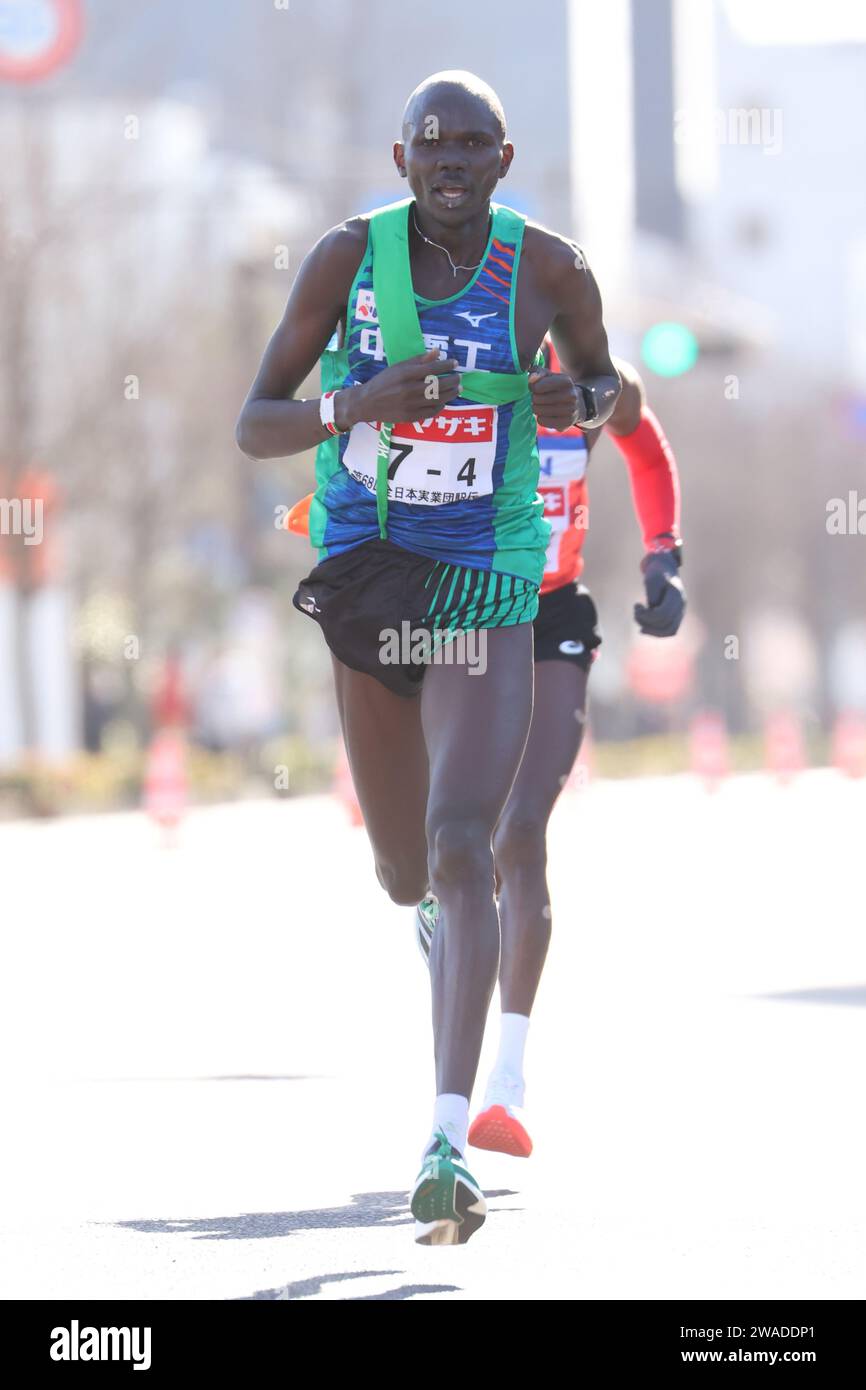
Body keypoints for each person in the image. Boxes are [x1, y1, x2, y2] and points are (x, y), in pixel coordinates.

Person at [236, 70, 620, 1246]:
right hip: (367, 573)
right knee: (404, 874)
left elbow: (606, 384)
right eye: (429, 144)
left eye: (471, 145)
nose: (449, 160)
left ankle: (445, 1136)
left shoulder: (548, 268)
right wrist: (354, 406)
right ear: (402, 163)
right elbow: (256, 421)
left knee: (467, 842)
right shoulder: (347, 258)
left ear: (504, 163)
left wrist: (575, 398)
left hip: (486, 580)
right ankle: (431, 927)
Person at [415, 338, 685, 1158]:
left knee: (522, 829)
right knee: (455, 848)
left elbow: (643, 439)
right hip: (466, 616)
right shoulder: (461, 374)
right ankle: (440, 905)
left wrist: (662, 552)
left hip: (556, 618)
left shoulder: (590, 384)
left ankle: (508, 1086)